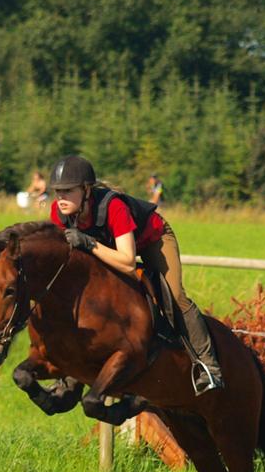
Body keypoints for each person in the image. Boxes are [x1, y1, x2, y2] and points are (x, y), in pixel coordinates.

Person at [48, 155, 224, 394]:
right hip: (111, 246)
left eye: (68, 191)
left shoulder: (113, 207)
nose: (61, 198)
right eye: (58, 192)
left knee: (174, 295)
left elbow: (128, 262)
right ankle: (70, 376)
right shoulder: (59, 214)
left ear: (87, 190)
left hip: (153, 239)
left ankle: (209, 367)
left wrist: (89, 244)